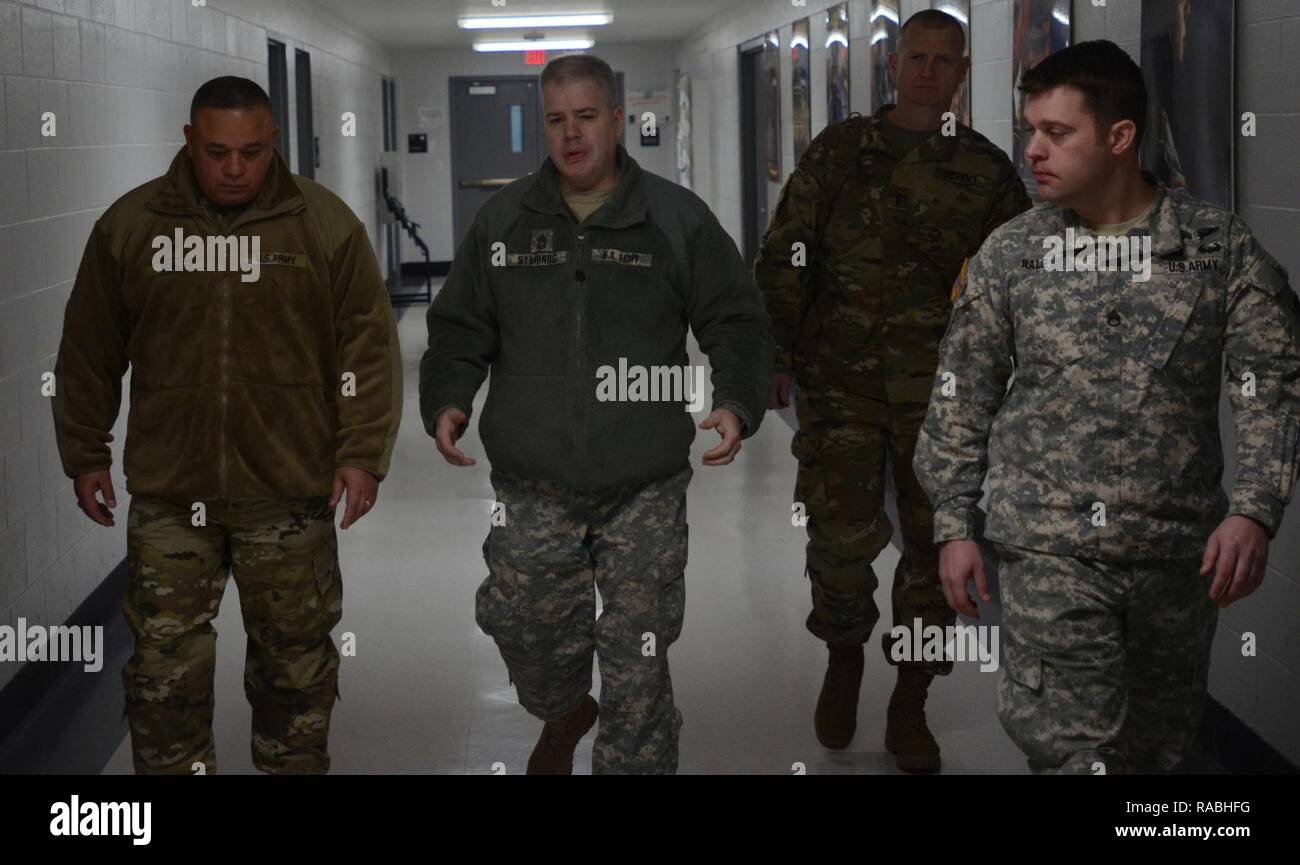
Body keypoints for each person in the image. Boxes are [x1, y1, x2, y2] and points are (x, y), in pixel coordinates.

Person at [913, 40, 1300, 773]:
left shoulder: (1217, 251)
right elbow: (960, 394)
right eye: (1030, 130)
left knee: (1158, 754)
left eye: (1056, 133)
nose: (1033, 150)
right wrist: (953, 524)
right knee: (1073, 754)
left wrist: (1254, 508)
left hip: (1176, 558)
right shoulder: (1011, 255)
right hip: (1049, 551)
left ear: (1120, 137)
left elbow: (1271, 384)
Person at [419, 54, 771, 775]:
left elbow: (735, 318)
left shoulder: (674, 219)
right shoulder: (506, 219)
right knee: (524, 627)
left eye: (586, 116)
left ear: (616, 119)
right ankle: (564, 709)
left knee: (638, 661)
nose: (571, 134)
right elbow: (460, 326)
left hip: (642, 479)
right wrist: (450, 397)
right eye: (555, 120)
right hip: (532, 476)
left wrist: (736, 400)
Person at [52, 76, 403, 774]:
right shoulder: (133, 228)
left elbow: (368, 346)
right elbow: (89, 349)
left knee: (295, 677)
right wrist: (84, 448)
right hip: (171, 499)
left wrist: (363, 451)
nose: (235, 169)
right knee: (163, 680)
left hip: (289, 494)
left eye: (251, 151)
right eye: (218, 152)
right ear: (190, 141)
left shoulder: (323, 226)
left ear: (273, 141)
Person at [753, 9, 1030, 771]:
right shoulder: (842, 152)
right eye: (918, 58)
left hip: (940, 400)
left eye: (946, 61)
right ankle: (845, 657)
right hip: (837, 386)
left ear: (962, 73)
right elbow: (787, 254)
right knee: (839, 542)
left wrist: (1006, 384)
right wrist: (774, 353)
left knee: (935, 551)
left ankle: (912, 695)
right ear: (894, 65)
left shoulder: (984, 172)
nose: (930, 72)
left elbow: (1017, 287)